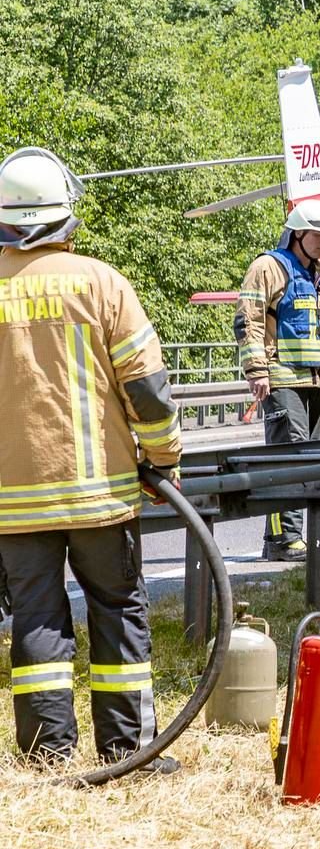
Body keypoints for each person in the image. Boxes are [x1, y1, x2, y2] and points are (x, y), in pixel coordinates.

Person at [0, 148, 182, 771]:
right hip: (100, 497)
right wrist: (163, 462)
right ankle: (128, 748)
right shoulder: (101, 283)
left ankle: (47, 751)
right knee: (117, 608)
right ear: (64, 216)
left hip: (12, 505)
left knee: (37, 618)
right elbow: (149, 391)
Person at [235, 199, 320, 562]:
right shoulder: (268, 267)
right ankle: (283, 539)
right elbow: (248, 321)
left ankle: (293, 537)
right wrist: (256, 371)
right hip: (282, 380)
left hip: (317, 381)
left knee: (313, 460)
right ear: (297, 232)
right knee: (291, 457)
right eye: (318, 236)